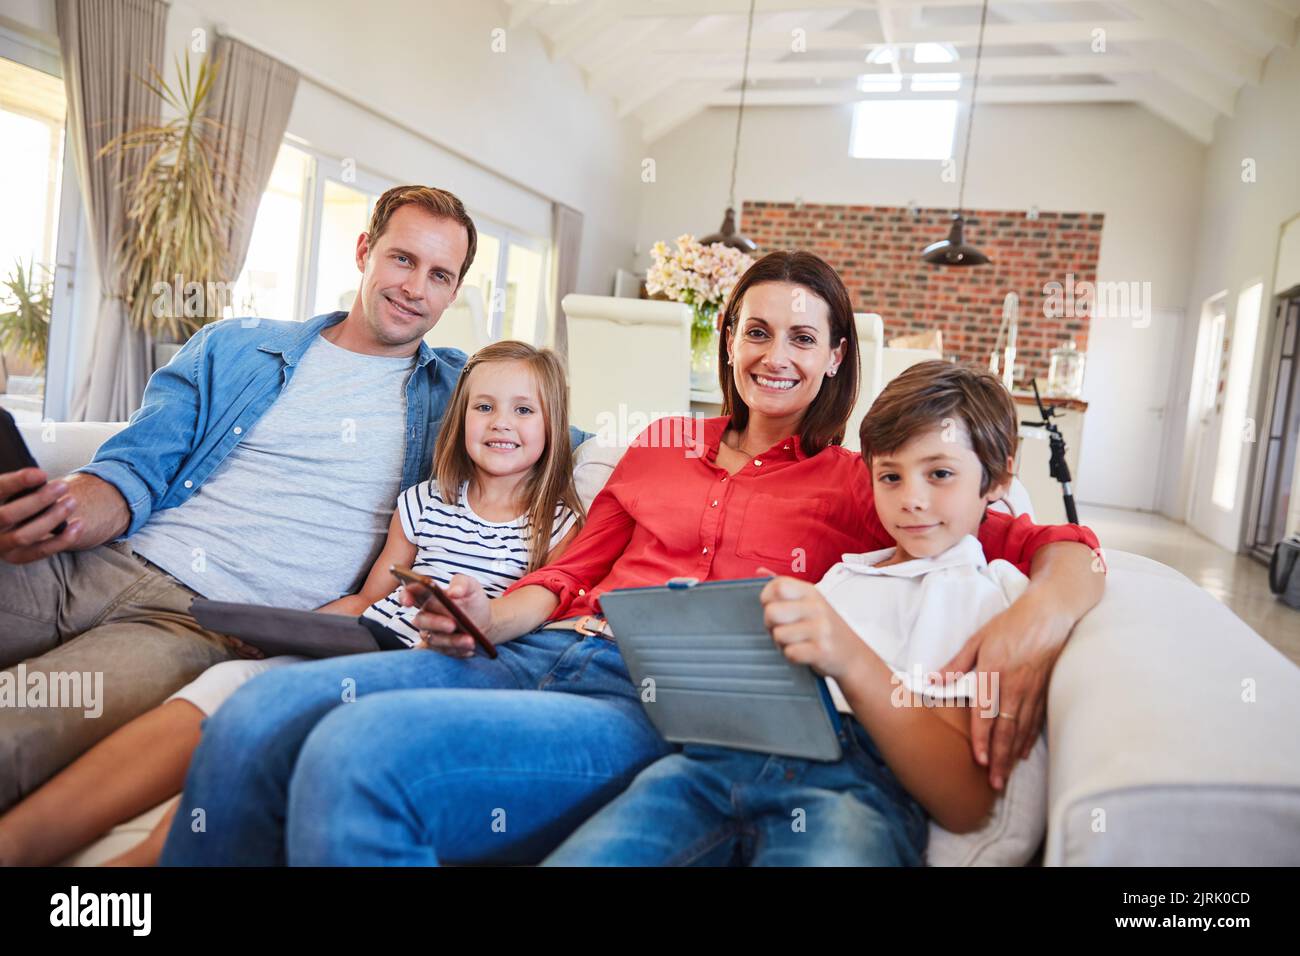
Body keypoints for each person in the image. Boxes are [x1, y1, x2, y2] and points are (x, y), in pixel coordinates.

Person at [161, 250, 1105, 867]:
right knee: (259, 712)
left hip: (652, 703)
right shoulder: (655, 442)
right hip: (532, 652)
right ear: (727, 338)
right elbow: (570, 570)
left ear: (833, 358)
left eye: (803, 337)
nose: (775, 355)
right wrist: (493, 614)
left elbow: (1039, 537)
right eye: (756, 329)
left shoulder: (870, 483)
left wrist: (1040, 610)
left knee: (361, 755)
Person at [0, 340, 582, 866]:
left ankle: (150, 857)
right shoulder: (423, 502)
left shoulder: (558, 525)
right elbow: (366, 599)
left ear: (554, 424)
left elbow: (541, 617)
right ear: (459, 419)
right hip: (353, 648)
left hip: (430, 669)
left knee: (271, 726)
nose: (501, 423)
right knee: (232, 690)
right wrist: (290, 630)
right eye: (484, 407)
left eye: (524, 410)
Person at [543, 361, 1079, 866]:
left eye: (939, 474)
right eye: (890, 477)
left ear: (999, 480)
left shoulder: (989, 595)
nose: (911, 499)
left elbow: (964, 803)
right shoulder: (842, 576)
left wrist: (847, 656)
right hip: (717, 766)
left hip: (851, 794)